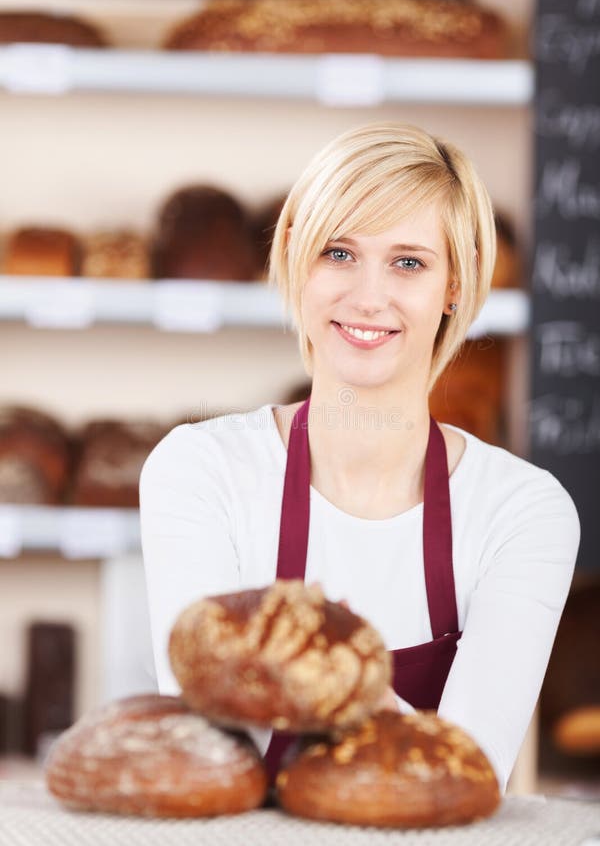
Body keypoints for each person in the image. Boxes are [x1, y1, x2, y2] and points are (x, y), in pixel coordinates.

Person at [139, 122, 581, 796]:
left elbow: (469, 774)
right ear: (297, 258)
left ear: (455, 283)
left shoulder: (521, 511)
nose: (368, 297)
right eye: (339, 253)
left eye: (409, 263)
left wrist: (310, 678)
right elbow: (210, 747)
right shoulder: (200, 472)